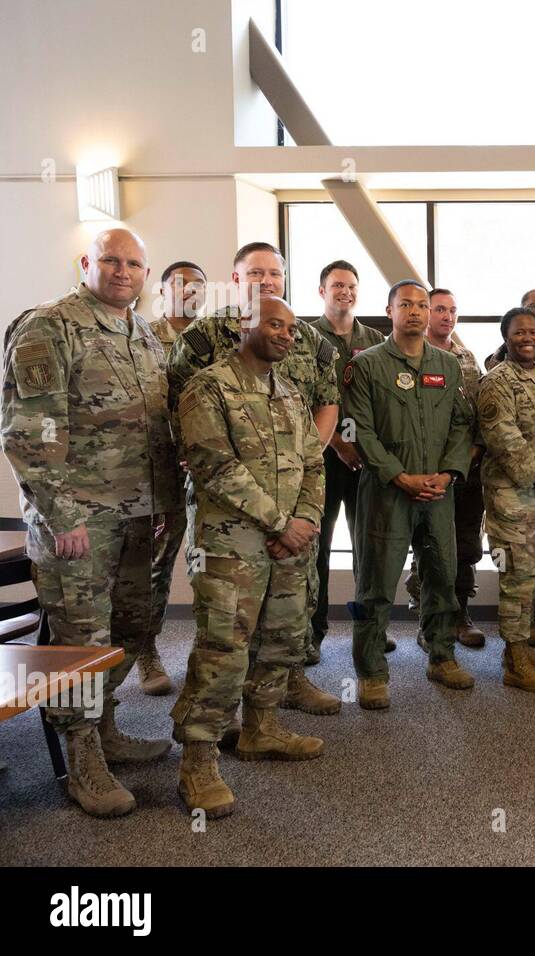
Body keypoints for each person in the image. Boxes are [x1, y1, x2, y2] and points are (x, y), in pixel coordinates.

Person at [0, 227, 179, 818]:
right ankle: (83, 759)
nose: (123, 271)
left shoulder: (142, 332)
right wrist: (62, 516)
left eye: (133, 263)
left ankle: (106, 728)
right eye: (111, 260)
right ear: (86, 262)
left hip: (136, 516)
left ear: (145, 273)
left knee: (132, 626)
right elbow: (31, 433)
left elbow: (155, 428)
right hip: (77, 524)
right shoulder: (50, 326)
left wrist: (159, 505)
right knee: (82, 641)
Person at [168, 241, 341, 718]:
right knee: (226, 632)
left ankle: (278, 699)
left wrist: (302, 505)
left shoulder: (300, 350)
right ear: (236, 279)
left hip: (292, 502)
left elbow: (323, 412)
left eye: (275, 274)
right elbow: (180, 418)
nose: (267, 282)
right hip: (231, 517)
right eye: (256, 274)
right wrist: (279, 519)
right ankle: (205, 737)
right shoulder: (205, 347)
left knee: (289, 616)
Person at [172, 297, 325, 817]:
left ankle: (261, 728)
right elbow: (214, 465)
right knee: (223, 649)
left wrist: (303, 523)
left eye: (291, 328)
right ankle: (198, 759)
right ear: (245, 326)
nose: (285, 334)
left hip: (289, 544)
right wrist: (283, 523)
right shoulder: (208, 387)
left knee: (283, 637)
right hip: (232, 544)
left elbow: (314, 464)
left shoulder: (291, 393)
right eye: (274, 324)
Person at [342, 281, 474, 708]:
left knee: (441, 576)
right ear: (389, 310)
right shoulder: (367, 366)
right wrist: (399, 477)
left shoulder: (447, 365)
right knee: (375, 584)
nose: (416, 312)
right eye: (406, 305)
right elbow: (359, 430)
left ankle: (441, 655)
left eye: (423, 305)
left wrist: (450, 473)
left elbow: (460, 425)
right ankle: (371, 672)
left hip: (438, 491)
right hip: (386, 493)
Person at [479, 308, 535, 691]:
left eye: (533, 331)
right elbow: (502, 436)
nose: (527, 337)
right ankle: (514, 662)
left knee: (534, 574)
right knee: (516, 575)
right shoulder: (496, 382)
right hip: (511, 497)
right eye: (519, 332)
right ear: (506, 336)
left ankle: (521, 647)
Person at [307, 260, 383, 665]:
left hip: (366, 460)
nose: (345, 292)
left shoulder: (373, 339)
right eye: (337, 285)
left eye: (351, 285)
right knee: (316, 548)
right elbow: (301, 399)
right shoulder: (304, 337)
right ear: (322, 291)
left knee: (367, 549)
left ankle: (368, 630)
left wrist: (365, 449)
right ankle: (313, 631)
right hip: (321, 458)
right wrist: (337, 443)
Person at [138, 259, 207, 696]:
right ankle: (147, 652)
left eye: (198, 286)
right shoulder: (142, 337)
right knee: (156, 565)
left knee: (209, 566)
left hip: (208, 475)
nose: (190, 292)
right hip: (160, 474)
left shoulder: (215, 340)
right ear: (163, 291)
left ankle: (207, 656)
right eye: (181, 286)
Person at [404, 288, 487, 649]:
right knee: (430, 546)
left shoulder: (467, 359)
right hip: (424, 469)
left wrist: (469, 455)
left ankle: (459, 614)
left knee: (466, 544)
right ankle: (430, 620)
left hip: (465, 469)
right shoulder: (411, 355)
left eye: (452, 310)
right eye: (439, 309)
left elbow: (479, 414)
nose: (446, 316)